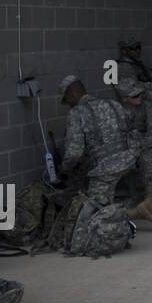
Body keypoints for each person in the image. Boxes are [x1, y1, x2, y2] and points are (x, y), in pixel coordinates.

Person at [58, 75, 135, 208]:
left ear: (73, 94)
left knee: (92, 211)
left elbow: (74, 154)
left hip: (107, 168)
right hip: (130, 160)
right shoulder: (112, 103)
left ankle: (140, 211)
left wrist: (64, 169)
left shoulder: (77, 113)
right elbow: (133, 130)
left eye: (66, 100)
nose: (68, 105)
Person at [118, 81, 152, 231]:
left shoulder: (148, 107)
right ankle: (134, 197)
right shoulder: (116, 111)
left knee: (149, 160)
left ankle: (149, 199)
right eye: (134, 95)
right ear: (124, 99)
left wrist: (138, 148)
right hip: (127, 147)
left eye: (140, 93)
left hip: (148, 146)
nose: (139, 97)